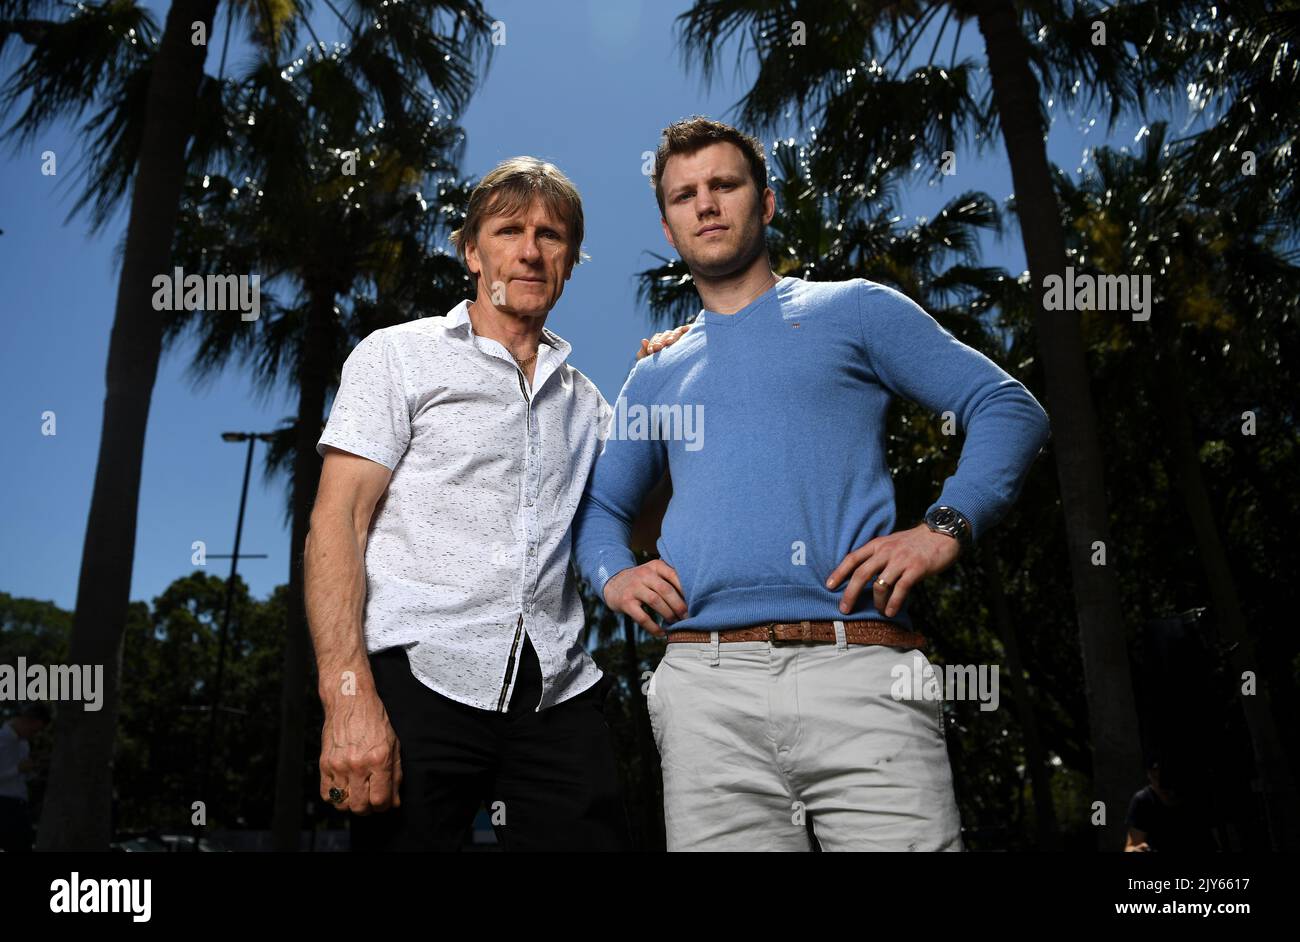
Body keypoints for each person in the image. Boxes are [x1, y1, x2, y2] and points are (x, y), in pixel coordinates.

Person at [572, 116, 1052, 851]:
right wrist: (613, 577)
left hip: (861, 673)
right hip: (706, 694)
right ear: (669, 229)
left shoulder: (854, 310)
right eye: (684, 195)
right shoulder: (655, 374)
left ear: (764, 203)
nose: (706, 204)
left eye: (724, 185)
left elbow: (1007, 406)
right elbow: (604, 508)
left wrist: (944, 525)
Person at [306, 156, 685, 851]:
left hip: (559, 691)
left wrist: (669, 384)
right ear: (472, 251)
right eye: (510, 229)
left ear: (570, 260)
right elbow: (338, 522)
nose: (531, 249)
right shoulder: (397, 357)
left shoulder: (592, 406)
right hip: (419, 675)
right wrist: (346, 695)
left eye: (552, 234)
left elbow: (645, 522)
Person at [1125, 758, 1221, 852]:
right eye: (1155, 776)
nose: (1162, 784)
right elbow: (1132, 846)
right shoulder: (1143, 801)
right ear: (1148, 774)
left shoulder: (1198, 796)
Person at [0, 702, 50, 853]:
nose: (33, 735)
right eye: (34, 730)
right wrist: (17, 769)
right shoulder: (2, 740)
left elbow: (21, 777)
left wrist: (32, 771)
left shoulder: (24, 744)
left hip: (19, 804)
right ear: (27, 720)